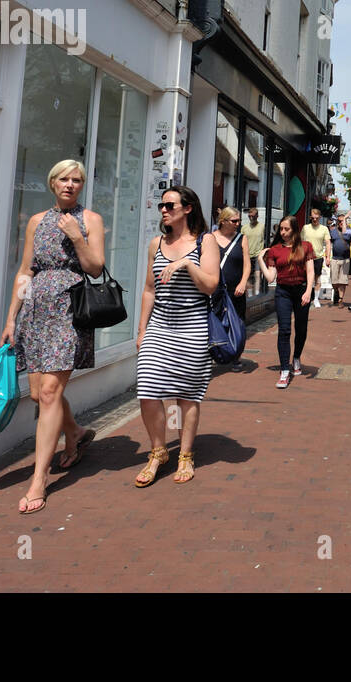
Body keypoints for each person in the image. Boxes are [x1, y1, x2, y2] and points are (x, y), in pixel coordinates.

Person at [1, 160, 106, 514]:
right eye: (64, 179)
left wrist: (77, 236)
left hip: (69, 309)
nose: (70, 184)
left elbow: (95, 267)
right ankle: (74, 433)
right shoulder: (36, 221)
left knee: (49, 393)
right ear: (52, 182)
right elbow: (25, 269)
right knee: (36, 393)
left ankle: (38, 479)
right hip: (35, 311)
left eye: (77, 180)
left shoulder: (90, 220)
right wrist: (12, 317)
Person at [134, 185, 221, 486]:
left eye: (170, 205)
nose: (164, 210)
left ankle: (185, 454)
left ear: (188, 208)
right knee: (147, 391)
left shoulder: (205, 241)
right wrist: (142, 329)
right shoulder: (156, 243)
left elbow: (210, 284)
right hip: (159, 326)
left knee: (186, 395)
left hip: (192, 328)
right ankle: (158, 451)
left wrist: (186, 263)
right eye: (161, 205)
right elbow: (148, 289)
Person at [259, 214, 315, 388]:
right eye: (280, 229)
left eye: (286, 229)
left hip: (301, 290)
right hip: (282, 292)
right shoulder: (275, 250)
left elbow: (311, 272)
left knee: (301, 328)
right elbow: (270, 277)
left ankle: (296, 357)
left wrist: (308, 291)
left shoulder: (305, 247)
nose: (282, 232)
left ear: (294, 230)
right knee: (284, 330)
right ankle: (284, 369)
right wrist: (260, 259)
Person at [211, 206, 251, 371]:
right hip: (215, 289)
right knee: (214, 322)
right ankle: (214, 353)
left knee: (238, 323)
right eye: (234, 221)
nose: (238, 223)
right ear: (223, 221)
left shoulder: (242, 239)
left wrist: (243, 283)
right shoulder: (210, 238)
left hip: (236, 289)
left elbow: (247, 265)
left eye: (239, 220)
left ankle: (236, 355)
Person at [300, 208, 332, 309]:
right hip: (305, 258)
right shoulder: (305, 228)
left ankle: (316, 299)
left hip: (317, 257)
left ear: (320, 217)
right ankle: (305, 297)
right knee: (304, 278)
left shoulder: (324, 229)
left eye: (316, 218)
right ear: (310, 217)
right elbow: (300, 242)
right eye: (313, 218)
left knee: (317, 279)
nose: (314, 220)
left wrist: (328, 257)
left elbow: (328, 243)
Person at [328, 213, 351, 306]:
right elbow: (329, 244)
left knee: (343, 280)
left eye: (343, 220)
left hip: (345, 259)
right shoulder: (333, 232)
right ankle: (336, 292)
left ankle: (341, 299)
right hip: (335, 259)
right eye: (340, 221)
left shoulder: (349, 232)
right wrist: (327, 257)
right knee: (334, 280)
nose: (341, 222)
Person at [242, 207, 266, 295]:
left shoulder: (262, 226)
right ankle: (249, 293)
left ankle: (256, 293)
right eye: (249, 216)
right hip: (247, 254)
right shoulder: (244, 228)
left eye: (253, 216)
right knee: (247, 275)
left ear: (257, 216)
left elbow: (266, 238)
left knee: (257, 275)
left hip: (258, 254)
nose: (251, 218)